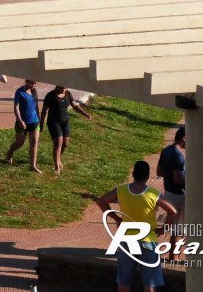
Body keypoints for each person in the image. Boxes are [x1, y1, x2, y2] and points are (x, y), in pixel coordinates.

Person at [96, 161, 177, 292]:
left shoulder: (120, 190)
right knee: (149, 283)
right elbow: (172, 211)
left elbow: (101, 201)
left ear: (133, 174)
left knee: (124, 281)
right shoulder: (153, 194)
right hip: (148, 239)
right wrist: (163, 229)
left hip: (126, 239)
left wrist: (117, 218)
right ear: (147, 175)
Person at [39, 86, 91, 175]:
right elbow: (44, 110)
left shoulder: (68, 93)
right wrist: (41, 124)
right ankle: (56, 167)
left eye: (65, 88)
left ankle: (58, 159)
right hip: (54, 122)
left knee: (65, 144)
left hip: (65, 122)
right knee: (58, 144)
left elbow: (74, 105)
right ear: (57, 87)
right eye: (62, 88)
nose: (64, 90)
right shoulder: (50, 96)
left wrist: (85, 114)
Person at [157, 126, 186, 253]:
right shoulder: (179, 156)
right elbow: (178, 180)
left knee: (175, 231)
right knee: (178, 232)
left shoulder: (166, 150)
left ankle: (172, 258)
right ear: (184, 138)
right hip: (178, 195)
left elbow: (159, 172)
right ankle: (173, 260)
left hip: (168, 193)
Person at [4, 79, 42, 173]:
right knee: (19, 143)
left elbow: (36, 106)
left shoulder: (34, 92)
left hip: (34, 121)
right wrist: (20, 120)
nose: (33, 85)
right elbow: (16, 107)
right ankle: (9, 153)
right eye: (32, 83)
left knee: (34, 143)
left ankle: (33, 166)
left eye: (35, 83)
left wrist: (39, 118)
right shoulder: (20, 91)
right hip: (22, 122)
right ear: (26, 82)